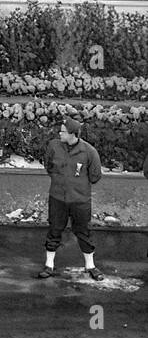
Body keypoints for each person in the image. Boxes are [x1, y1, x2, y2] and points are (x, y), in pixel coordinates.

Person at [37, 117, 104, 281]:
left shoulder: (89, 151)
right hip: (58, 198)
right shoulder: (54, 146)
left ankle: (90, 266)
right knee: (54, 230)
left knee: (84, 232)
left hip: (80, 200)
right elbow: (49, 166)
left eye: (63, 132)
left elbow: (95, 176)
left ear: (73, 134)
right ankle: (49, 265)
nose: (60, 133)